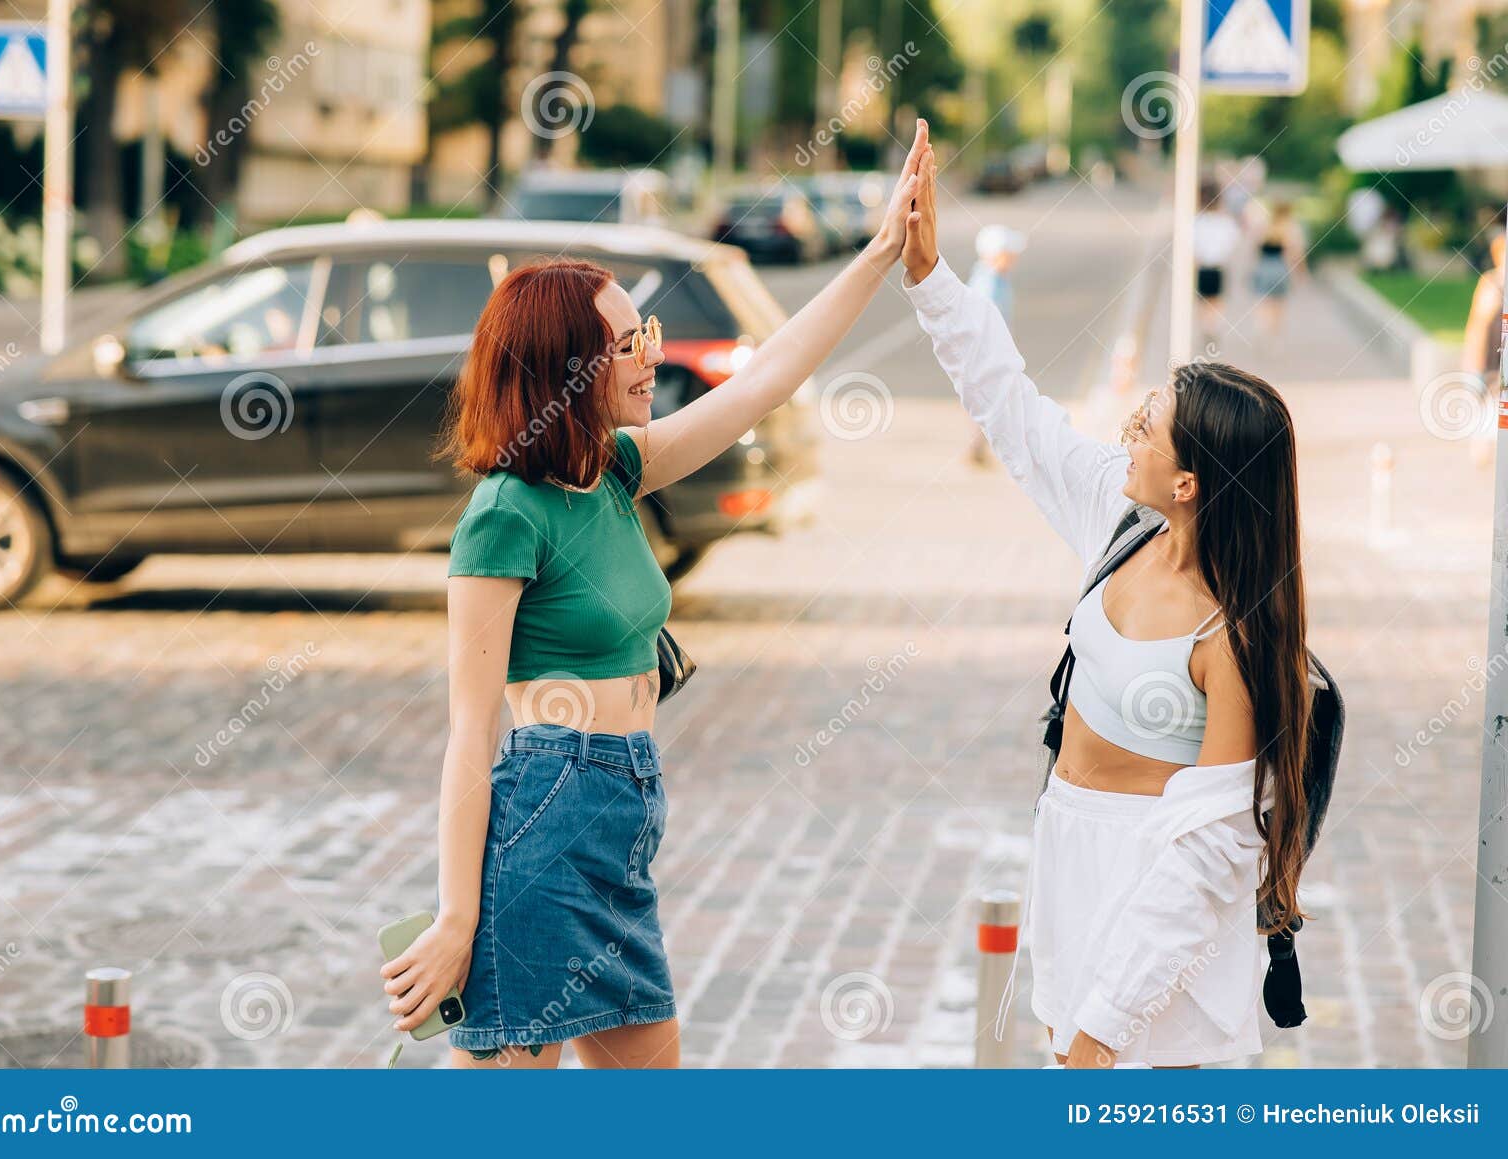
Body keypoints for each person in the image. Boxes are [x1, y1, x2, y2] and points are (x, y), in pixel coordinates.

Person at [376, 121, 933, 1070]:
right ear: (568, 371)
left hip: (621, 815)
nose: (649, 356)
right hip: (544, 821)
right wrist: (457, 915)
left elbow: (766, 379)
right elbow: (470, 732)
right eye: (630, 341)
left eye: (647, 334)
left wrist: (881, 251)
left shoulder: (618, 470)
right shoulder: (506, 513)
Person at [901, 152, 1313, 1069]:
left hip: (1160, 920)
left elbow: (1206, 862)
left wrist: (1102, 1030)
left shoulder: (1230, 636)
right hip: (1071, 870)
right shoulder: (1122, 526)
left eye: (1146, 428)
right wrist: (931, 279)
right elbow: (1014, 413)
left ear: (1191, 482)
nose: (1125, 432)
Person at [964, 225, 1027, 466]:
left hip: (993, 354)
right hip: (986, 355)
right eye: (1009, 254)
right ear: (993, 254)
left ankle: (980, 447)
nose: (1013, 260)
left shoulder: (997, 279)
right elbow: (984, 326)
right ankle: (983, 448)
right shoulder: (987, 284)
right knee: (994, 402)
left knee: (994, 401)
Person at [1461, 230, 1505, 468]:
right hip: (1487, 357)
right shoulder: (1491, 283)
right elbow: (1481, 324)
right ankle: (1482, 451)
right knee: (1485, 407)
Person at [1192, 179, 1241, 351]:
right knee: (1216, 301)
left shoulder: (1197, 222)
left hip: (1202, 267)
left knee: (1202, 301)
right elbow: (1233, 242)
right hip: (1219, 266)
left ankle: (1206, 327)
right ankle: (1212, 326)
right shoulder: (1225, 222)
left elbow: (1192, 247)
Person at [1250, 200, 1304, 342]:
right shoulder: (1290, 229)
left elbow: (1255, 250)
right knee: (1279, 304)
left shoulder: (1265, 228)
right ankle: (1273, 336)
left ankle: (1262, 327)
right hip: (1280, 268)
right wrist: (1301, 273)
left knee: (1264, 301)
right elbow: (1295, 253)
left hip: (1264, 267)